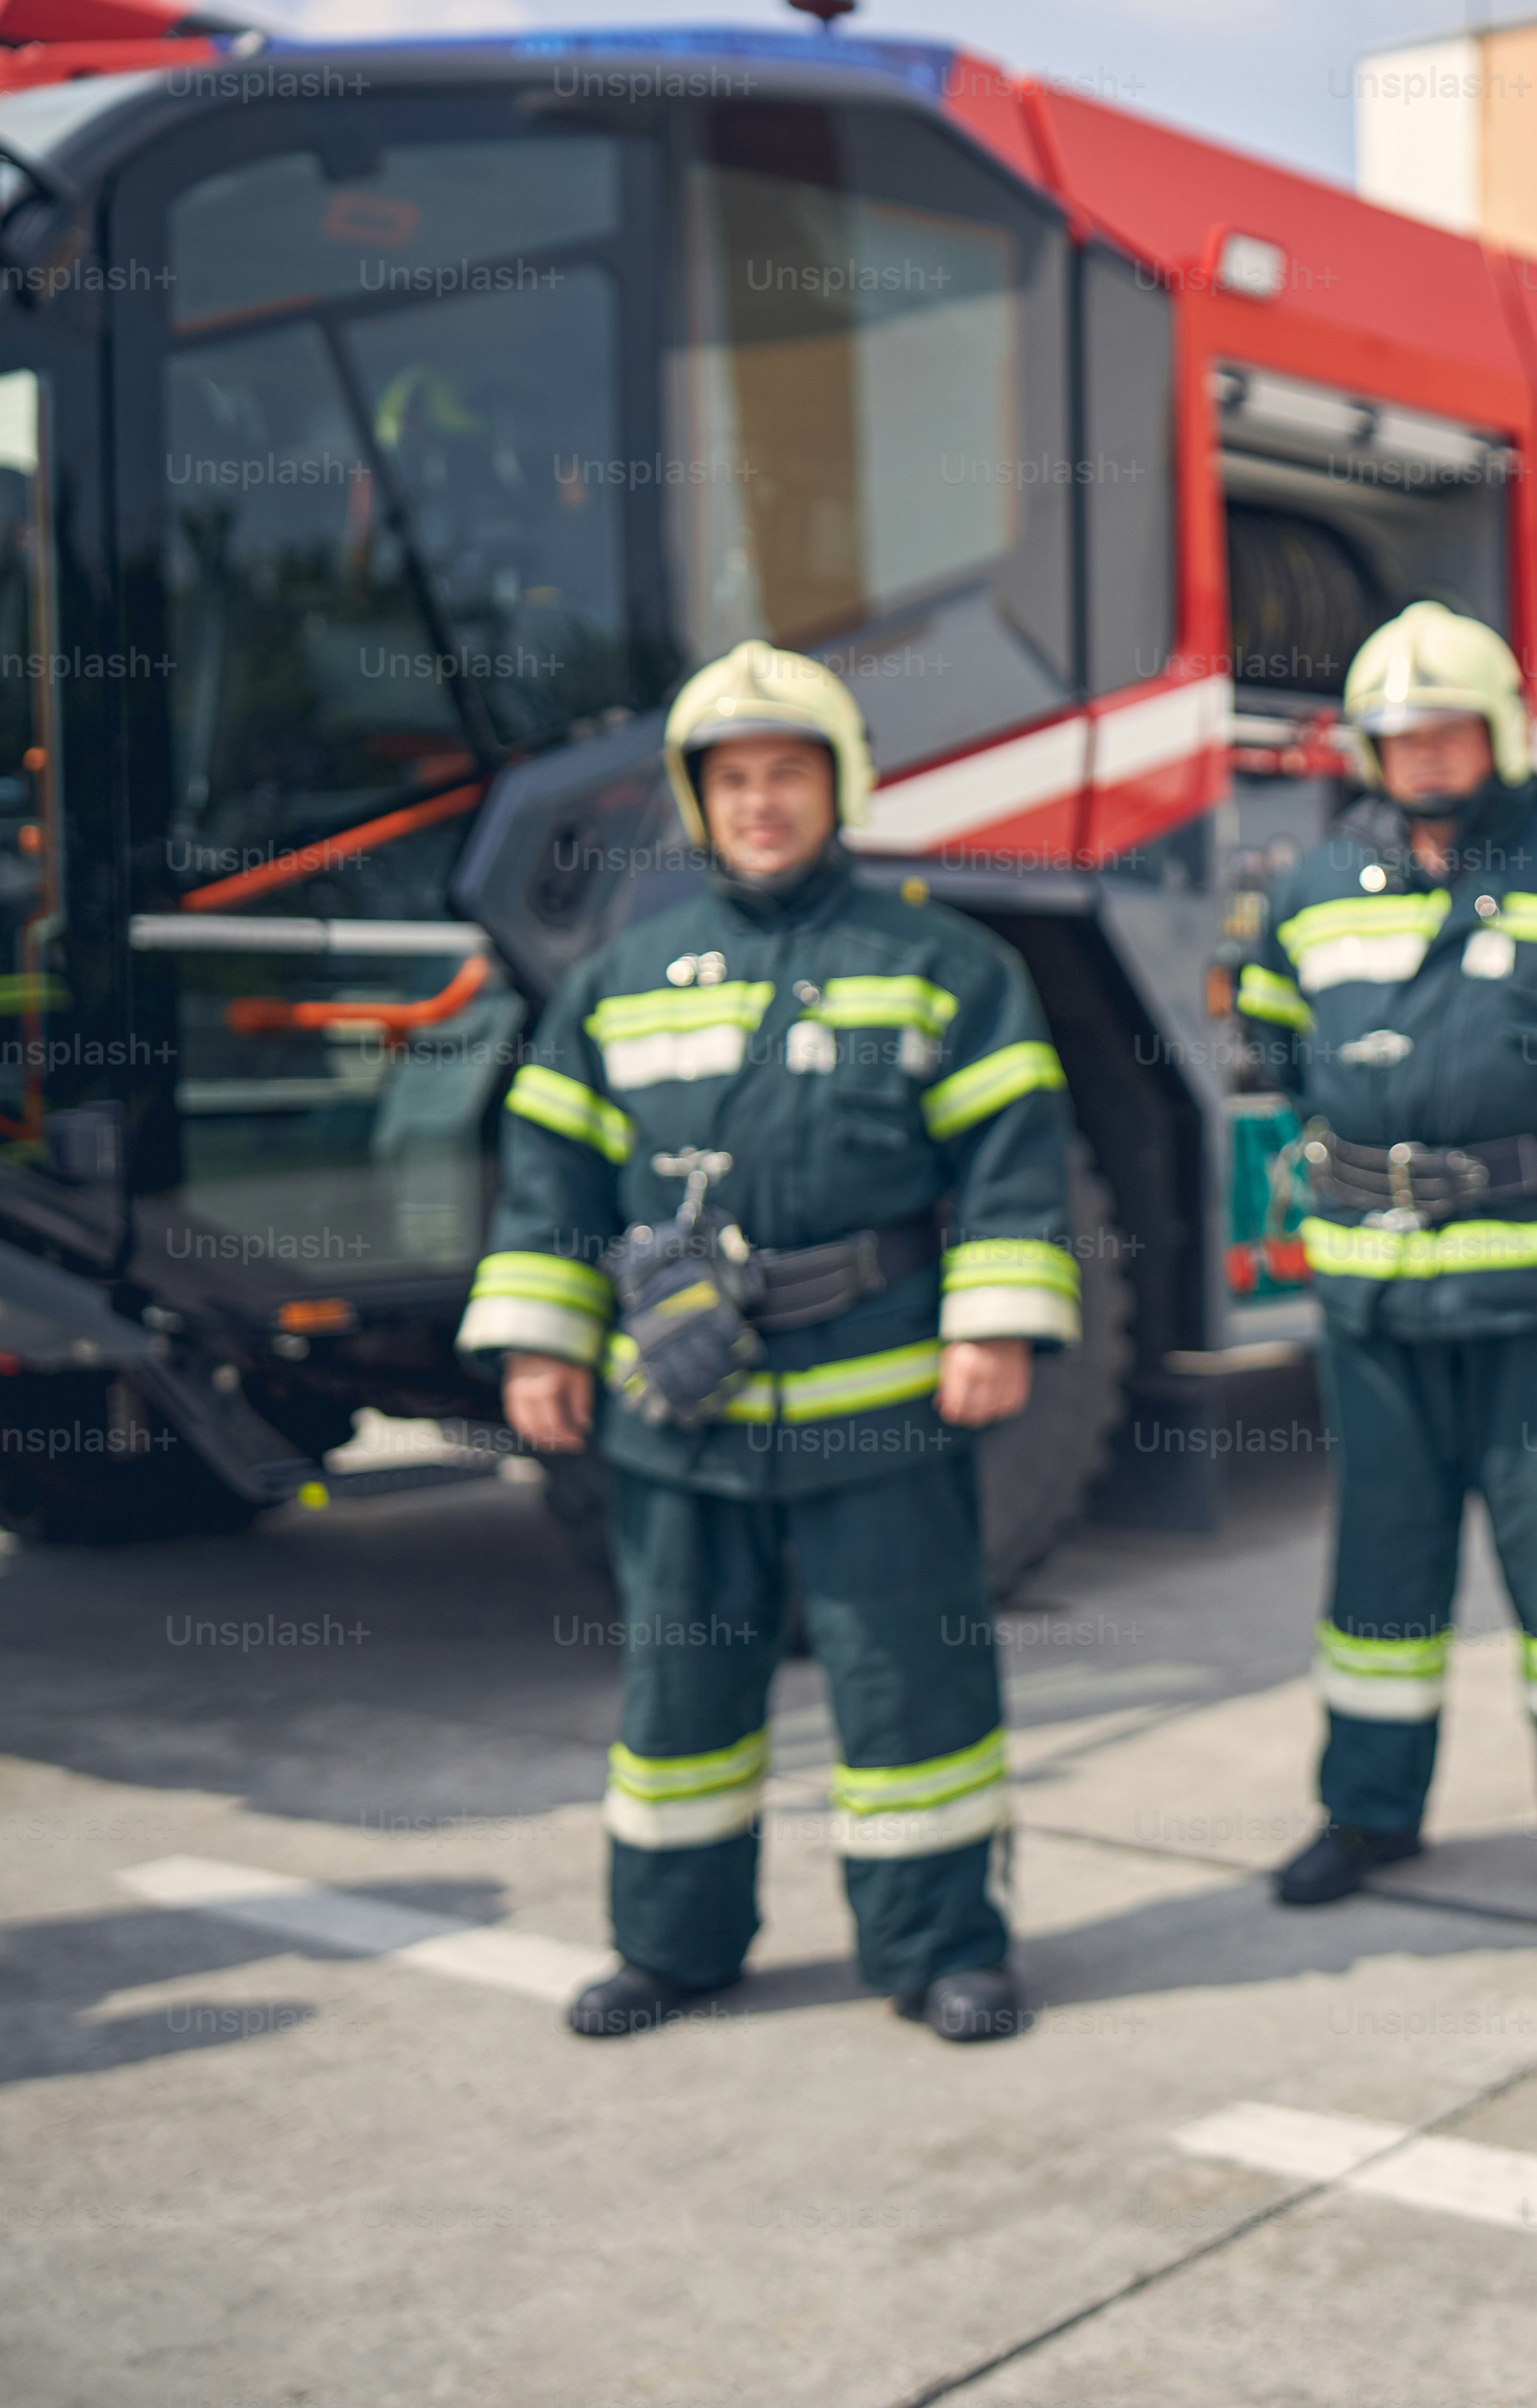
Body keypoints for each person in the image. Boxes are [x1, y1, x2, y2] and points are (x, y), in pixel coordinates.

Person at [466, 642, 1081, 2044]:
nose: (759, 802)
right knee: (681, 1681)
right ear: (698, 799)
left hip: (879, 1393)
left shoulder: (944, 963)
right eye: (732, 779)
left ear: (839, 786)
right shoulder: (618, 978)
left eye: (785, 775)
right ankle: (671, 1948)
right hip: (678, 1409)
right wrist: (539, 1345)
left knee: (908, 1675)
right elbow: (551, 1172)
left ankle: (943, 1948)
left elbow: (1014, 1159)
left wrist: (994, 1319)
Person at [1237, 602, 1537, 1914]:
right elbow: (1274, 1038)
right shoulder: (1312, 889)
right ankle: (1368, 1812)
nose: (1424, 754)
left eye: (1447, 730)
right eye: (1398, 735)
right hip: (1375, 1292)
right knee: (1380, 1559)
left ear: (1498, 732)